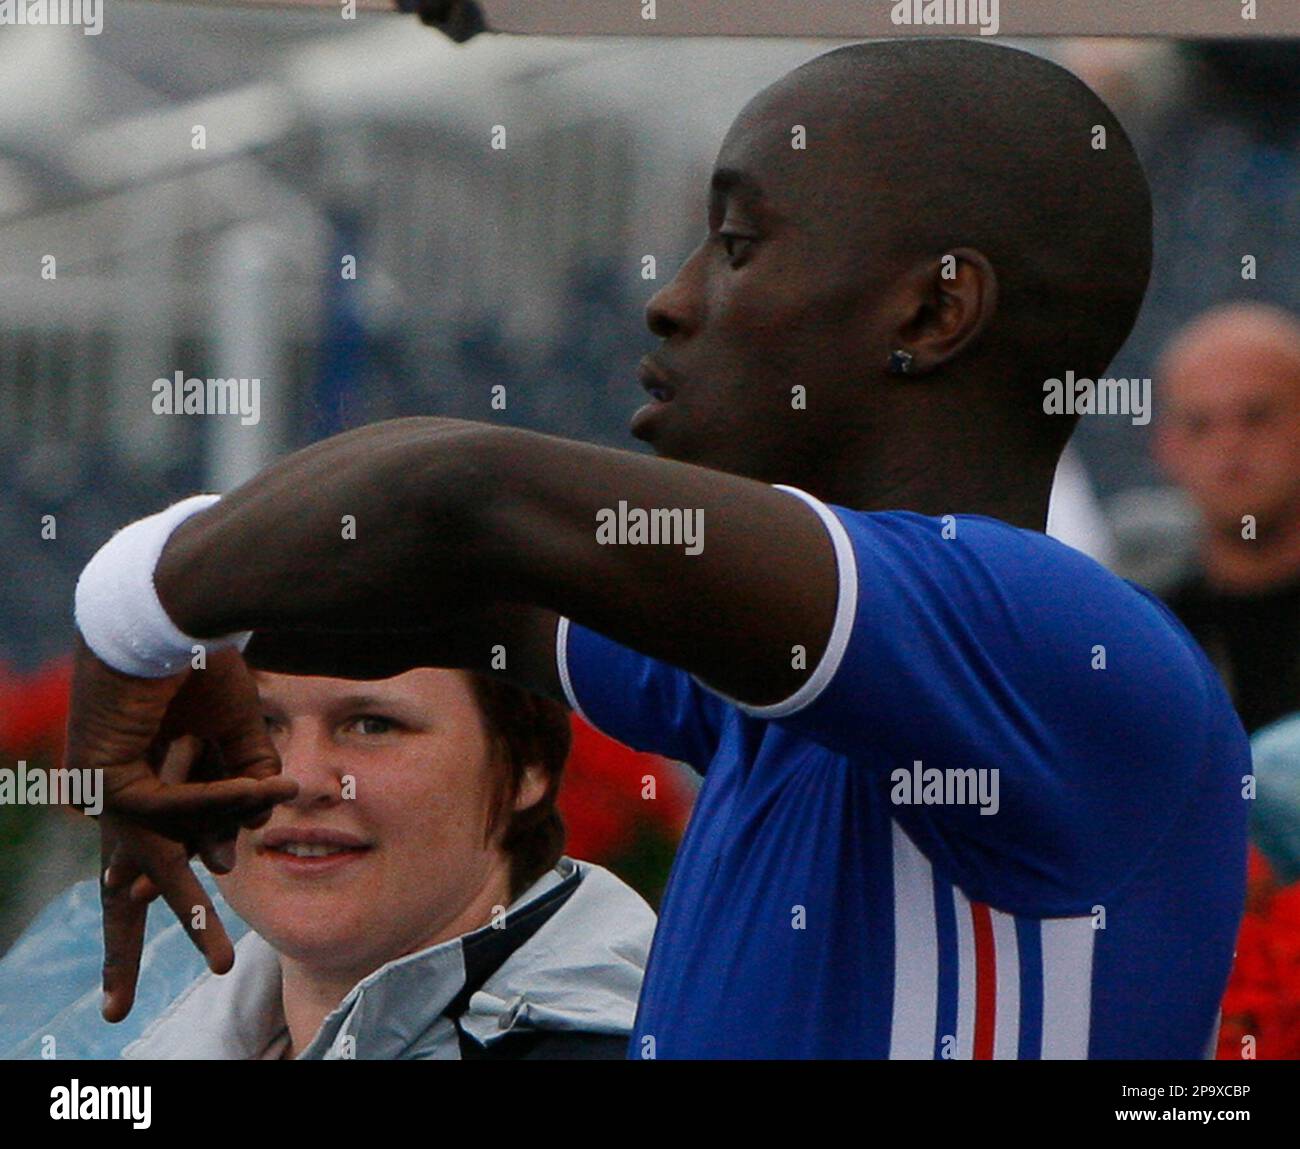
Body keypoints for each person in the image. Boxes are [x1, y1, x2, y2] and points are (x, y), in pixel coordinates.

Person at [64, 39, 1248, 1059]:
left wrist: (130, 619)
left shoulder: (1051, 642)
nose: (671, 300)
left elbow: (459, 496)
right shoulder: (780, 682)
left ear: (934, 312)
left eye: (735, 242)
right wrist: (185, 658)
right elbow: (416, 571)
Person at [2, 664, 654, 1059]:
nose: (297, 778)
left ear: (528, 767)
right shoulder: (98, 1008)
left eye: (371, 724)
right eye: (256, 722)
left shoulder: (635, 1041)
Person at [1153, 303, 1300, 734]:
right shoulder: (1145, 641)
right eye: (1199, 425)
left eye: (1257, 416)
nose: (1229, 447)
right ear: (1166, 447)